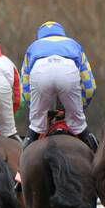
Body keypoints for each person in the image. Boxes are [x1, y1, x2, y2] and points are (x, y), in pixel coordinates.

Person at [20, 21, 97, 151]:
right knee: (79, 125)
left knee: (36, 126)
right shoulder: (74, 45)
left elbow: (26, 89)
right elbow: (90, 87)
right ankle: (97, 162)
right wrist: (78, 108)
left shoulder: (33, 47)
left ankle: (21, 167)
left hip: (40, 73)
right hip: (68, 73)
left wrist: (38, 111)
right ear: (62, 34)